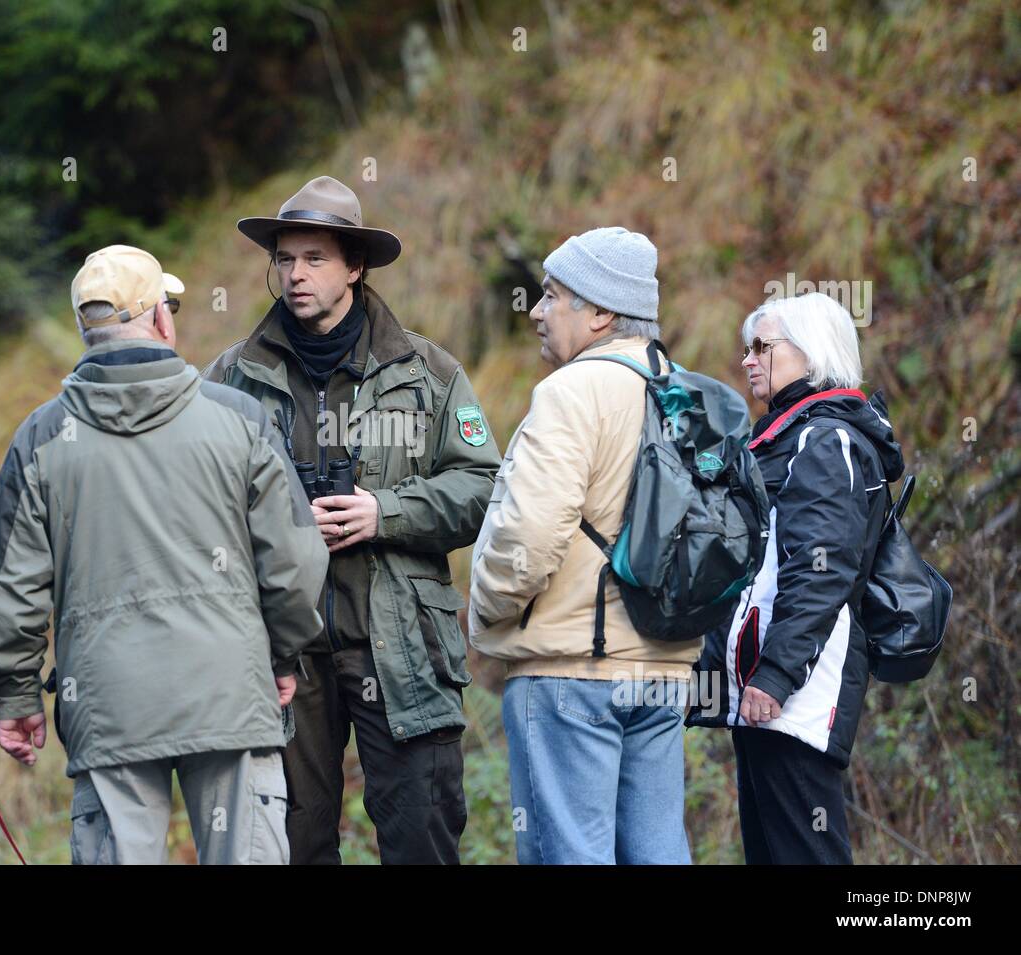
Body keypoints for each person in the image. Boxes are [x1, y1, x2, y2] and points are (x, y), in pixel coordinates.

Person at [0, 244, 327, 865]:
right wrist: (283, 652)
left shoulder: (43, 436)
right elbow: (294, 558)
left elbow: (6, 588)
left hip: (107, 703)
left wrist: (17, 697)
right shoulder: (238, 417)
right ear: (161, 318)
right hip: (229, 689)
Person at [204, 176, 500, 864]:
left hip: (398, 645)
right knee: (288, 843)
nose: (295, 273)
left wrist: (385, 512)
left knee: (420, 836)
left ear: (355, 267)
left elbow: (485, 484)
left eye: (314, 258)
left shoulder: (427, 370)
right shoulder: (231, 376)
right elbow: (197, 502)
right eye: (284, 258)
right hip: (282, 653)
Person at [469, 227, 697, 864]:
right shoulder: (688, 393)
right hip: (663, 670)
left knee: (567, 853)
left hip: (572, 670)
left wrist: (486, 606)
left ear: (599, 313)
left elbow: (532, 535)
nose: (537, 312)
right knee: (657, 852)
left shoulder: (572, 392)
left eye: (551, 296)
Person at [688, 291, 902, 864]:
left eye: (762, 346)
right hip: (768, 693)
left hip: (795, 695)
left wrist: (776, 676)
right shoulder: (786, 435)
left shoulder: (824, 439)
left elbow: (822, 574)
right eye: (747, 347)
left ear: (810, 354)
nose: (748, 360)